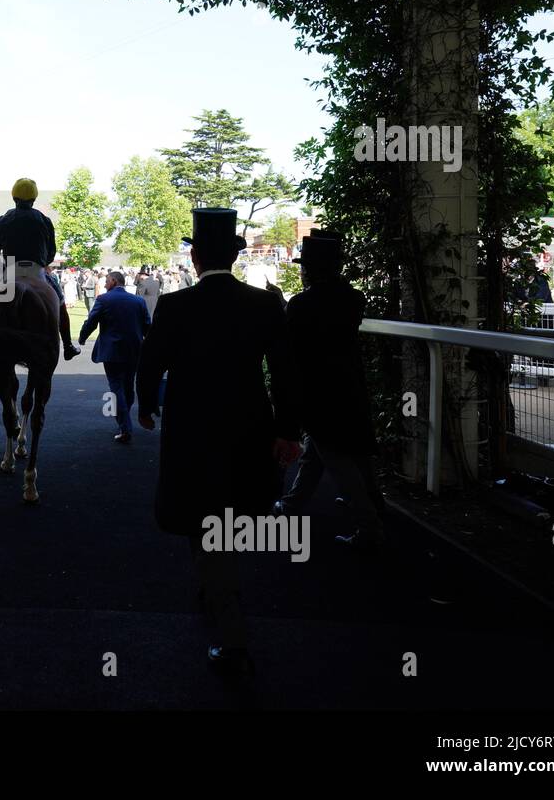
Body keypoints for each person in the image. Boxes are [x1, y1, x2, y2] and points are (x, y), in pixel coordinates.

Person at [136, 208, 300, 678]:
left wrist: (145, 405)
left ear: (194, 256)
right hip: (249, 424)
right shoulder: (267, 306)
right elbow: (287, 374)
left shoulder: (175, 305)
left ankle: (231, 639)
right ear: (236, 256)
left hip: (190, 427)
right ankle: (216, 589)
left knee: (200, 517)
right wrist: (288, 430)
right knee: (231, 511)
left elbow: (151, 364)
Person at [276, 230, 385, 547]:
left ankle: (370, 528)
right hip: (349, 387)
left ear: (309, 269)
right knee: (336, 453)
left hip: (317, 394)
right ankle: (293, 503)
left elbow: (294, 354)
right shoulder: (354, 299)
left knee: (337, 460)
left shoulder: (299, 305)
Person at [0, 178, 80, 361]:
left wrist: (2, 271)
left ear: (14, 198)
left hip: (11, 271)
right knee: (60, 304)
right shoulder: (44, 220)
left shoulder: (4, 219)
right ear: (34, 199)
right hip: (37, 271)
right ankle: (68, 345)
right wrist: (43, 262)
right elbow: (51, 252)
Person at [78, 270, 150, 442]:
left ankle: (125, 427)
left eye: (107, 281)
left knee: (116, 387)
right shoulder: (139, 301)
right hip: (134, 350)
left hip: (112, 351)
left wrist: (82, 338)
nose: (104, 284)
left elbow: (92, 322)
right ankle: (124, 420)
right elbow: (147, 326)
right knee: (127, 387)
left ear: (113, 281)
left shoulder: (104, 299)